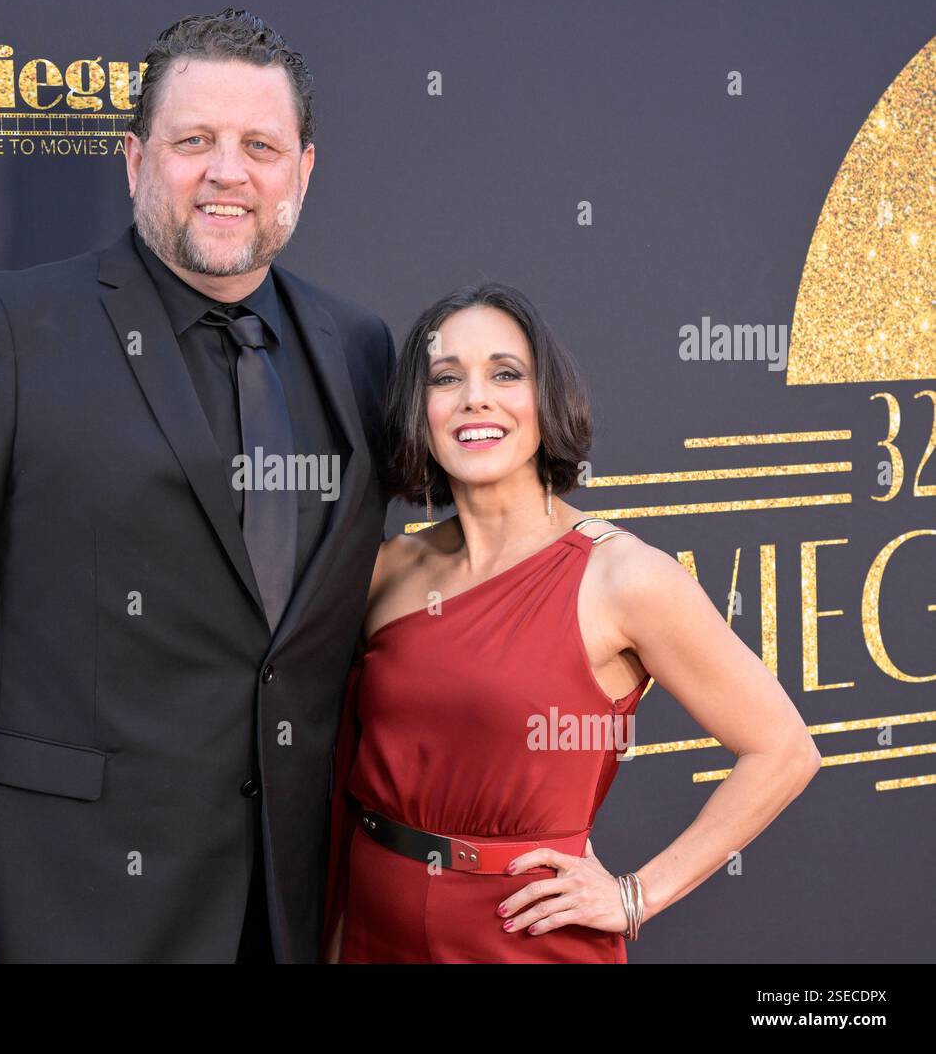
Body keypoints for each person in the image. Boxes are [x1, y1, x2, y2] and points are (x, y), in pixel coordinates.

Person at [0, 8, 395, 963]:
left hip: (285, 912)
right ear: (135, 160)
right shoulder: (6, 328)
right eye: (195, 142)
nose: (229, 171)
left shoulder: (358, 347)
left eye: (260, 145)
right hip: (59, 907)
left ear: (302, 171)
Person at [321, 284, 821, 963]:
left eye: (505, 373)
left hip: (520, 938)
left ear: (544, 398)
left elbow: (785, 749)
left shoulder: (621, 577)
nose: (475, 397)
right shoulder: (386, 568)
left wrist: (635, 895)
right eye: (446, 378)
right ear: (420, 409)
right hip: (373, 926)